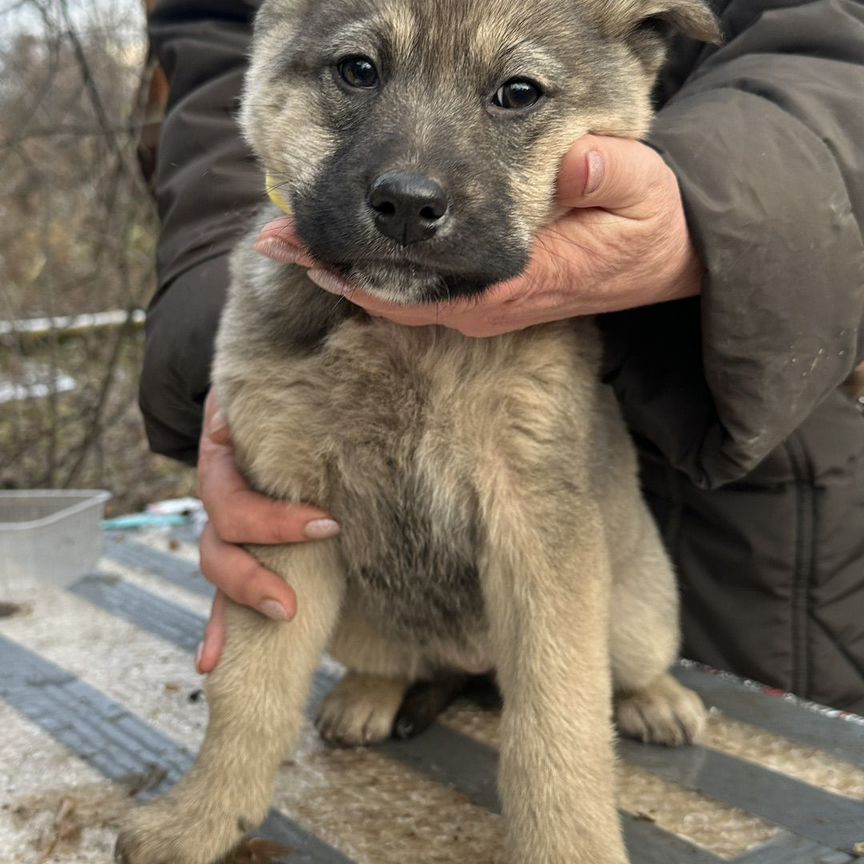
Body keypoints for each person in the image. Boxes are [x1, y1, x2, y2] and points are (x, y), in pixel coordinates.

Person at [141, 0, 864, 711]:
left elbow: (833, 31)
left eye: (516, 93)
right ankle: (393, 673)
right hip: (362, 547)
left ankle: (645, 685)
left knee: (688, 681)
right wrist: (234, 303)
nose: (414, 182)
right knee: (319, 574)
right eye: (359, 71)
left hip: (744, 439)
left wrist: (714, 208)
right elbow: (216, 35)